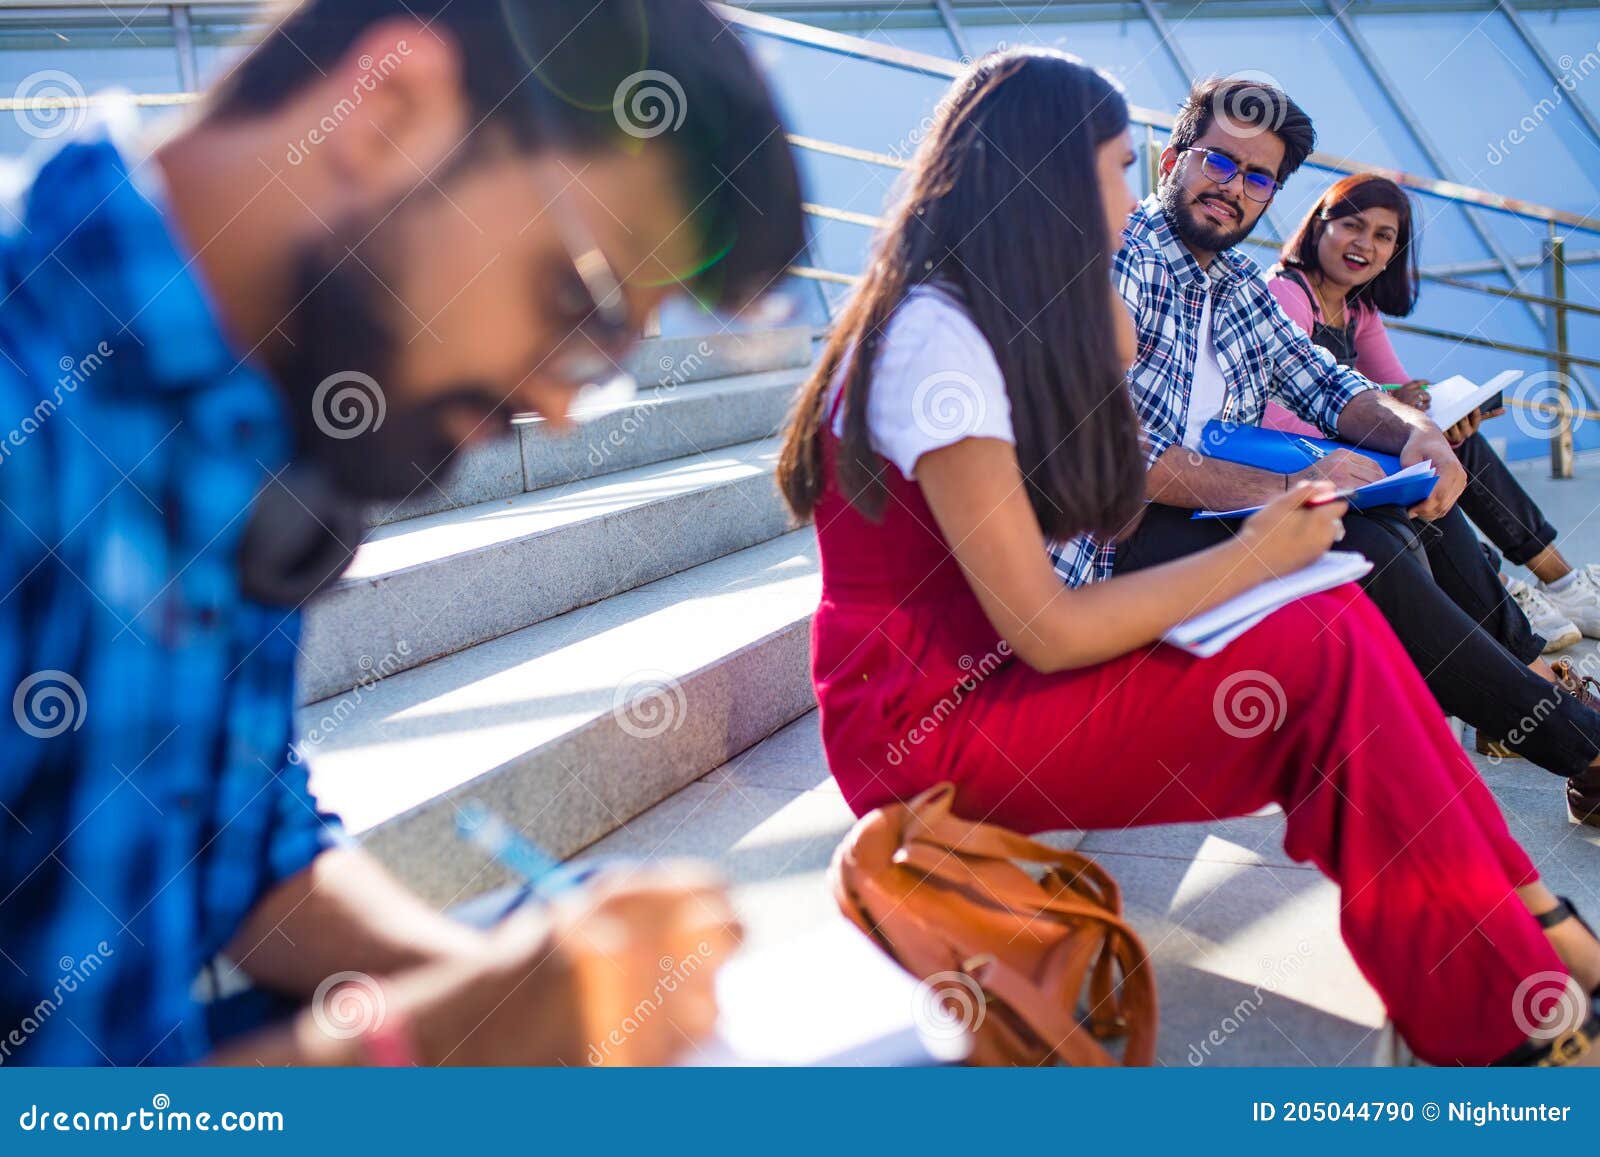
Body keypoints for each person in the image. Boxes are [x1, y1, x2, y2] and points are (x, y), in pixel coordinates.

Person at [0, 0, 804, 1066]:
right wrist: (426, 1041)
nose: (560, 407)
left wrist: (540, 991)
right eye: (582, 303)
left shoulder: (247, 407)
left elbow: (251, 855)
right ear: (387, 110)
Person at [777, 47, 1600, 1067]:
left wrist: (1392, 443)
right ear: (1049, 175)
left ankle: (1528, 923)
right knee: (1322, 643)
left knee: (1336, 615)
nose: (1126, 201)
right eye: (1120, 168)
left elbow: (1306, 386)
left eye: (1258, 176)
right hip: (929, 726)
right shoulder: (937, 341)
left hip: (1000, 669)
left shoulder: (977, 312)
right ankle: (1507, 1012)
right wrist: (1257, 546)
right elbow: (1046, 620)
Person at [1048, 76, 1600, 827]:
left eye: (1257, 177)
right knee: (1360, 545)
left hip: (1213, 517)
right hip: (1116, 538)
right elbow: (1119, 458)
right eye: (1219, 162)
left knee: (1416, 513)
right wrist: (1299, 485)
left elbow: (1329, 384)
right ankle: (1580, 743)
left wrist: (1419, 437)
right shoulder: (1125, 262)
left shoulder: (1238, 284)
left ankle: (1532, 706)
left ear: (1272, 194)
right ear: (1173, 158)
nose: (1234, 189)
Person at [1260, 172, 1600, 654]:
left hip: (1341, 447)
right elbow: (1270, 414)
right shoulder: (1288, 295)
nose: (1365, 245)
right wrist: (1397, 419)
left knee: (1456, 441)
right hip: (1296, 459)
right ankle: (1514, 596)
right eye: (1352, 226)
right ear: (1319, 227)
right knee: (1427, 461)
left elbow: (1397, 388)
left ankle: (1549, 585)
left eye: (1384, 236)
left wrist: (1430, 407)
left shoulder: (1358, 309)